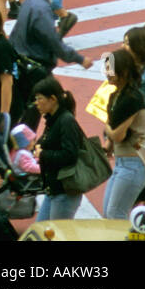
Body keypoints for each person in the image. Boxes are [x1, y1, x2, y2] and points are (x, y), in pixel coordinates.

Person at [101, 47, 145, 219]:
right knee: (109, 212)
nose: (107, 73)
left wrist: (107, 129)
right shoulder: (115, 96)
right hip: (121, 162)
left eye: (111, 69)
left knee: (115, 214)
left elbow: (117, 134)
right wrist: (108, 142)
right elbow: (113, 131)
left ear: (124, 71)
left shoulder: (132, 98)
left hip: (134, 164)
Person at [31, 76, 85, 221]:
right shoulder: (52, 119)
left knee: (58, 234)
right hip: (53, 190)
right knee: (42, 231)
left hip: (65, 191)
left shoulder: (66, 121)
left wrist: (43, 154)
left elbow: (70, 154)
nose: (36, 103)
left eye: (39, 98)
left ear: (52, 99)